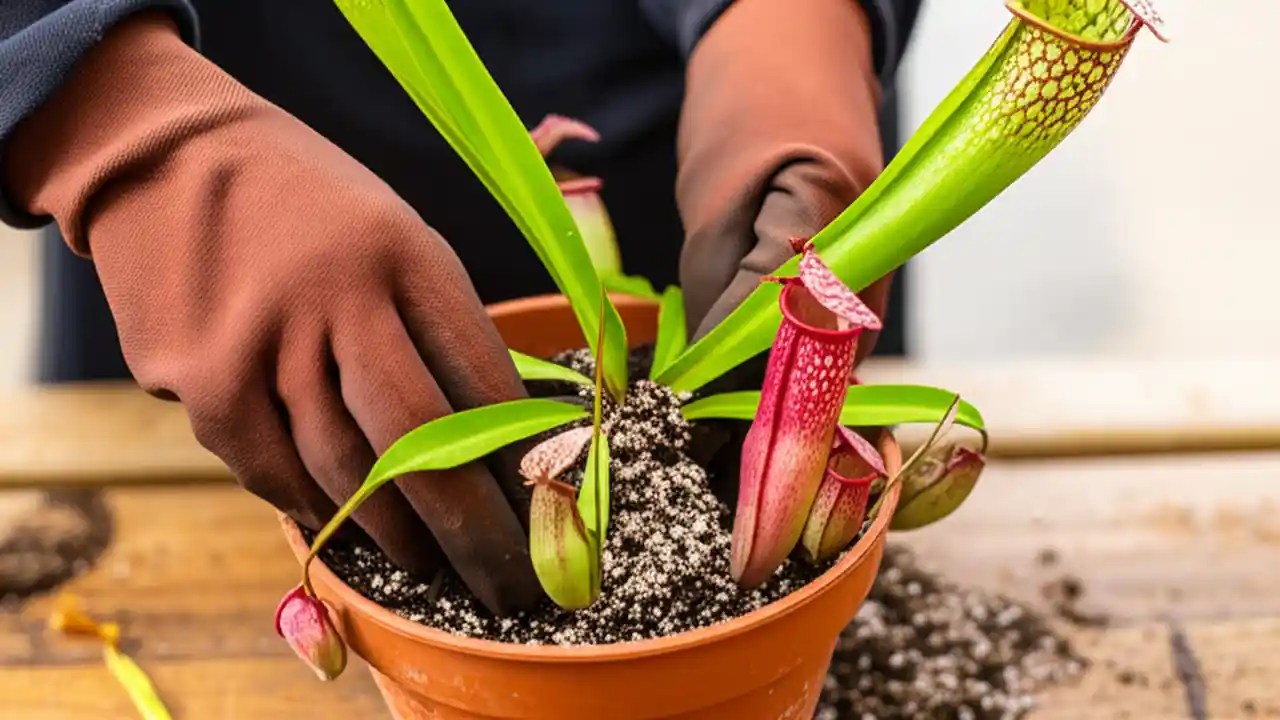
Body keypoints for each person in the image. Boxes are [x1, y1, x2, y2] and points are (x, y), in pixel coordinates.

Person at [0, 0, 916, 615]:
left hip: (682, 160)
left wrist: (797, 22)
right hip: (222, 159)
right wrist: (107, 112)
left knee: (768, 310)